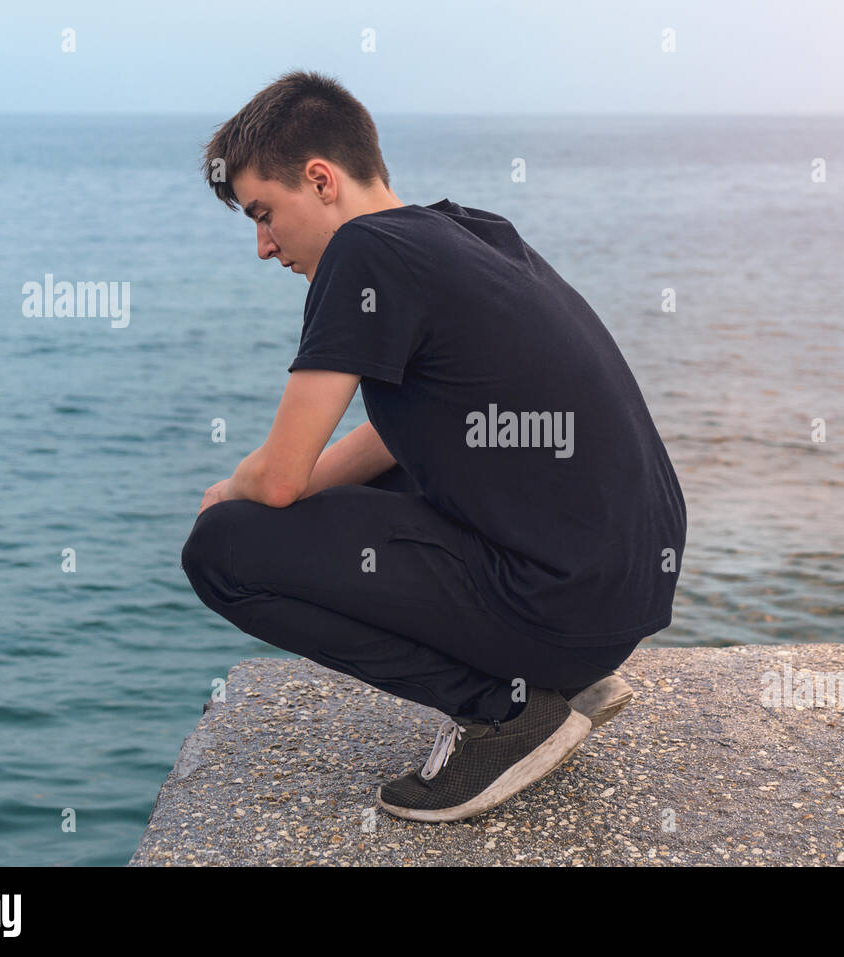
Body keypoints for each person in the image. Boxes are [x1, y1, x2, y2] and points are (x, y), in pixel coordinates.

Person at [181, 70, 687, 823]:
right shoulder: (470, 229)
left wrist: (234, 493)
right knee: (345, 491)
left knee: (220, 549)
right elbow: (402, 429)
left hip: (563, 608)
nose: (262, 246)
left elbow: (280, 477)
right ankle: (557, 683)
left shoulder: (364, 254)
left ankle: (505, 712)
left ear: (320, 179)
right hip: (619, 596)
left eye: (264, 213)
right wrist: (289, 492)